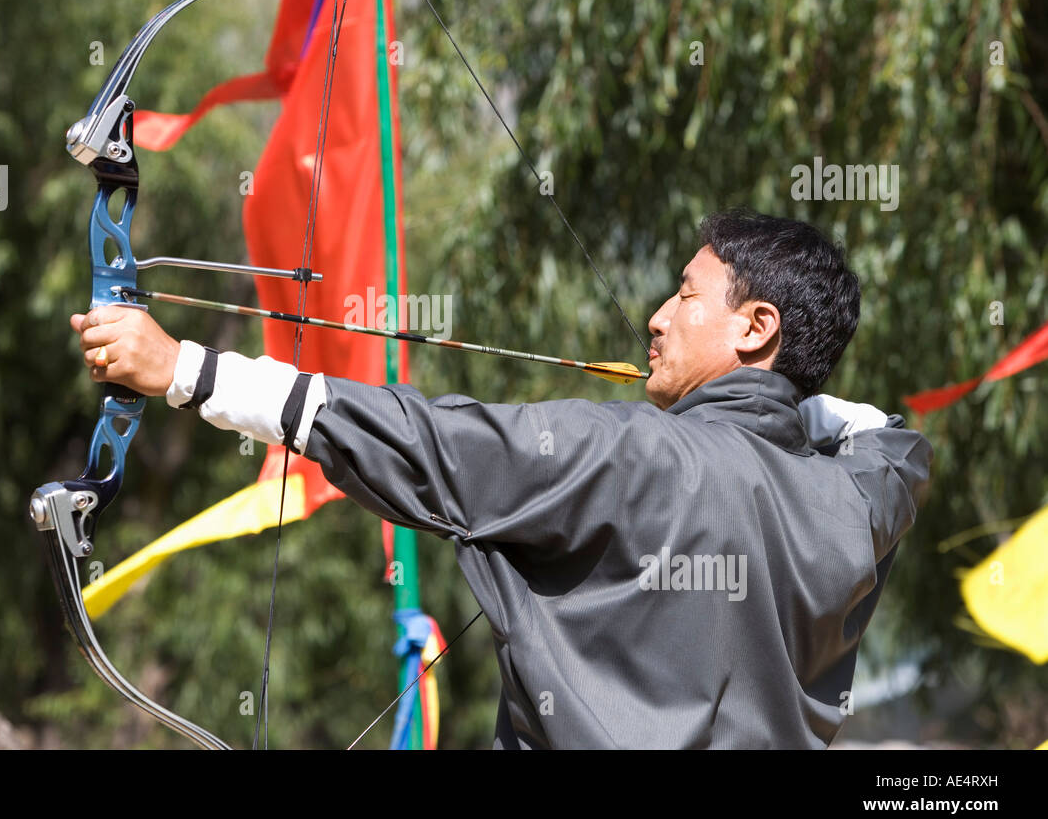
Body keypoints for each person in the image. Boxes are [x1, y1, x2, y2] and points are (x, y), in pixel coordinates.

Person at [71, 209, 932, 748]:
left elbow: (429, 443)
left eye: (686, 295)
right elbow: (898, 444)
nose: (656, 317)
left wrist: (183, 368)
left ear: (756, 326)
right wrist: (789, 408)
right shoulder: (852, 502)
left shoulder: (635, 454)